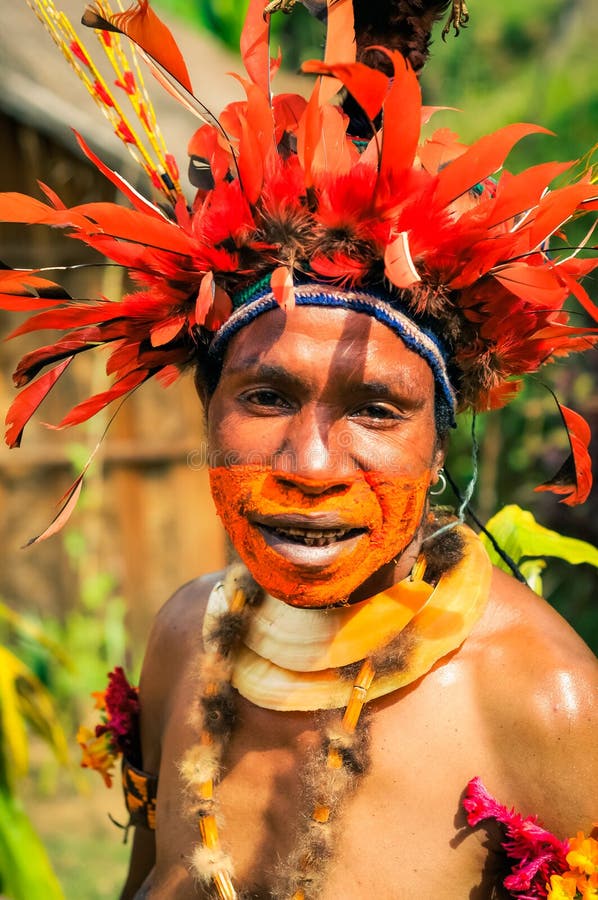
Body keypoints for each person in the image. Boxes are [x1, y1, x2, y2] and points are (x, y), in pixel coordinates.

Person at [1, 1, 596, 898]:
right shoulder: (183, 639)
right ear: (207, 413)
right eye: (267, 397)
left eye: (377, 410)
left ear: (438, 446)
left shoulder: (547, 707)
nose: (310, 467)